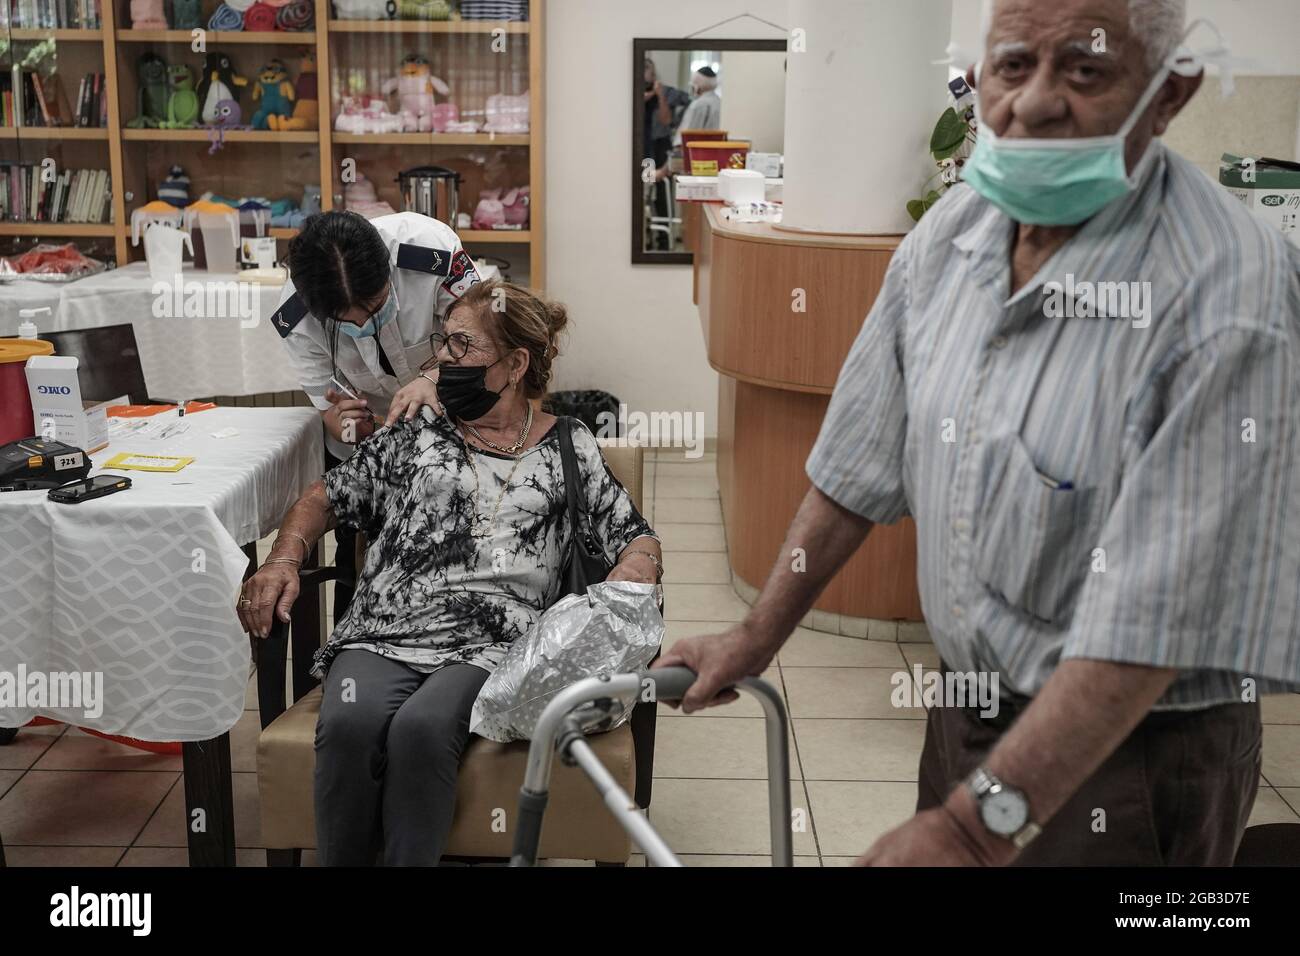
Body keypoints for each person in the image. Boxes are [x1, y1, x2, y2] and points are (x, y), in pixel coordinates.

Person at [659, 0, 1300, 866]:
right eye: (1010, 65)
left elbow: (1154, 623)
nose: (1033, 103)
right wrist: (753, 638)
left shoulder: (1228, 292)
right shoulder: (952, 238)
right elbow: (856, 465)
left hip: (1138, 753)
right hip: (966, 710)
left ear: (1168, 94)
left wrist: (972, 828)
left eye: (1084, 71)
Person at [238, 280, 662, 866]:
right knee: (350, 724)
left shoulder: (570, 446)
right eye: (444, 342)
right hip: (386, 629)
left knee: (423, 727)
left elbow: (633, 534)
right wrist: (284, 557)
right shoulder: (420, 429)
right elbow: (327, 495)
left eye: (463, 347)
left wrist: (634, 569)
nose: (443, 361)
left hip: (494, 642)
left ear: (515, 364)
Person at [271, 210, 480, 616]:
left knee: (457, 533)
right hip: (381, 436)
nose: (364, 323)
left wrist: (436, 377)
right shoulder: (296, 315)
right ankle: (357, 627)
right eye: (346, 321)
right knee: (363, 541)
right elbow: (328, 402)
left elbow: (484, 335)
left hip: (459, 410)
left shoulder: (430, 251)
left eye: (376, 305)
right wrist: (344, 421)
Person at [674, 66, 722, 145]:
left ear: (698, 87)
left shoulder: (699, 104)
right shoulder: (719, 102)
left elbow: (688, 133)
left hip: (696, 149)